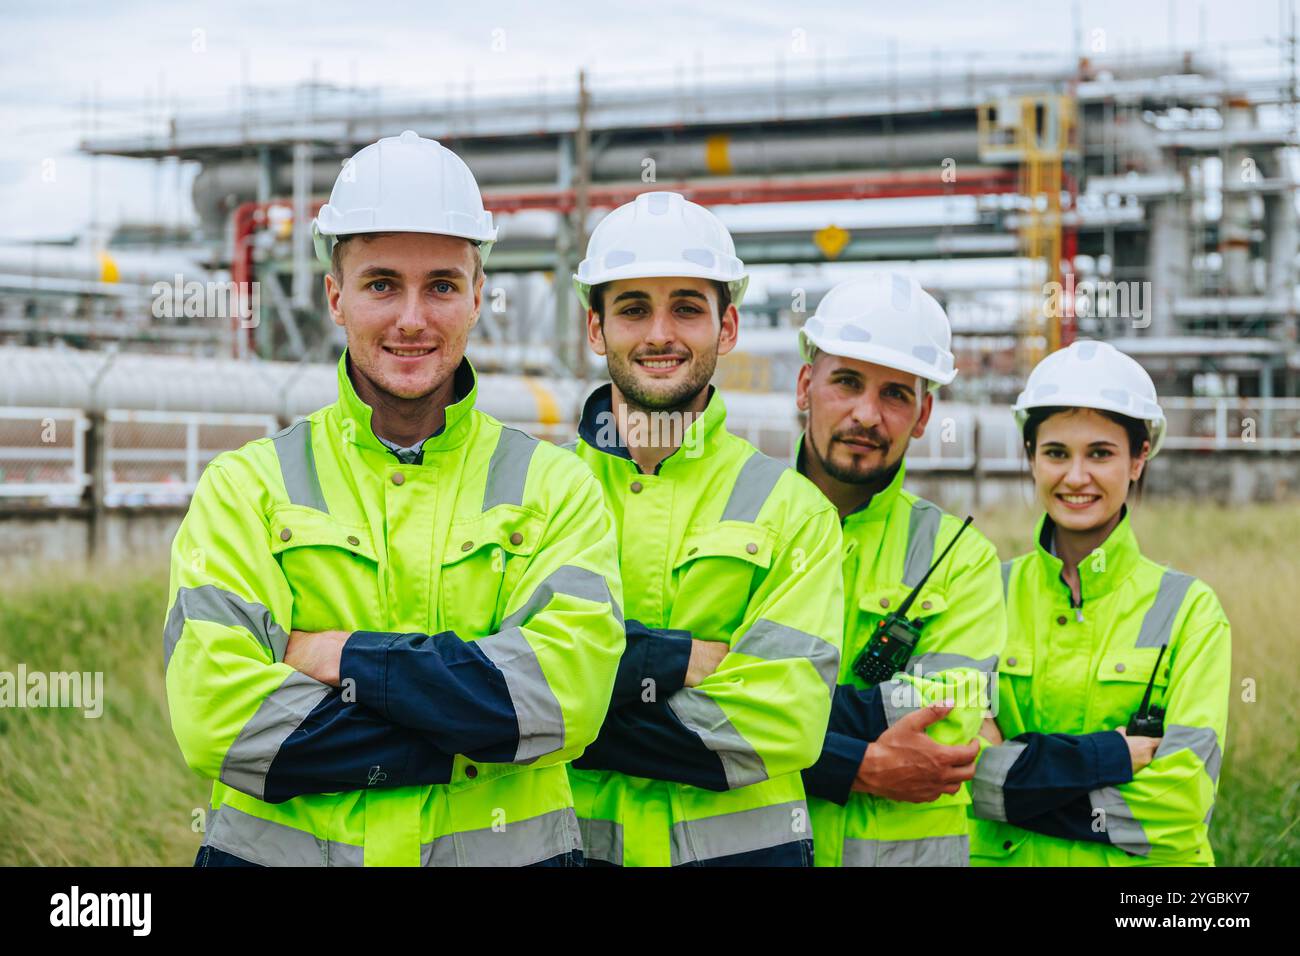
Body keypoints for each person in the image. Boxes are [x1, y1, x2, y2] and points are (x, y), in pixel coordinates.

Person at [163, 131, 624, 867]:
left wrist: (340, 656)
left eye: (441, 285)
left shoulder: (556, 488)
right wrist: (469, 736)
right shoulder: (244, 489)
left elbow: (563, 705)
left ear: (477, 296)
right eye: (382, 284)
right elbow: (218, 721)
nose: (412, 318)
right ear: (335, 296)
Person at [564, 191, 844, 866]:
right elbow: (498, 689)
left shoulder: (793, 511)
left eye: (686, 307)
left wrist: (560, 721)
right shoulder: (538, 498)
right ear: (596, 330)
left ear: (728, 328)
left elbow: (785, 723)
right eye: (633, 308)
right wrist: (685, 661)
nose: (660, 333)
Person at [969, 340, 1231, 866]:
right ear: (1031, 458)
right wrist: (1106, 762)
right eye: (1057, 453)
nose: (1076, 477)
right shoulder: (980, 597)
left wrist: (1016, 791)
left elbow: (1180, 805)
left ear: (1139, 459)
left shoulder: (1190, 612)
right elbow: (962, 778)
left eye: (1101, 453)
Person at [794, 273, 1006, 866]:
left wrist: (773, 708)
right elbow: (689, 708)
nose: (867, 414)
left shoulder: (961, 558)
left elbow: (949, 723)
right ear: (806, 385)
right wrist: (856, 765)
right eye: (847, 383)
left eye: (895, 394)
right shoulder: (736, 522)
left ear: (922, 414)